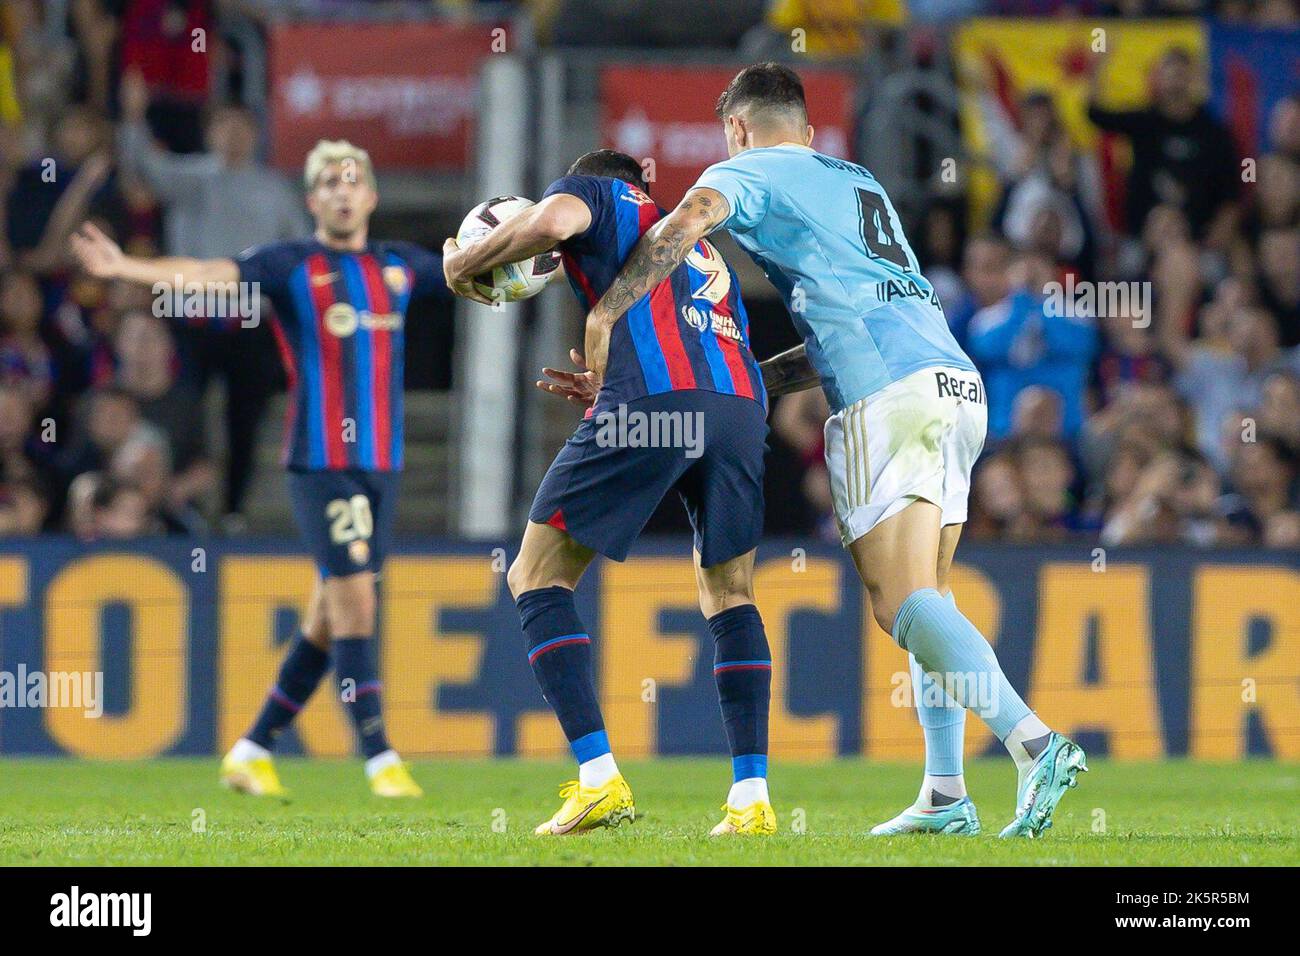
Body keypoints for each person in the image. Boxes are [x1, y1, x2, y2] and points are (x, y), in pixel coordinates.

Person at [582, 63, 1087, 838]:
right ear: (810, 133)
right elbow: (834, 334)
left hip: (890, 399)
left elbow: (681, 226)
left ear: (738, 130)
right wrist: (748, 379)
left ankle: (1036, 743)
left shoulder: (742, 169)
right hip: (953, 385)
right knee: (932, 595)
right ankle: (946, 793)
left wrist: (607, 316)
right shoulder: (856, 183)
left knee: (899, 602)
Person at [69, 139, 448, 798]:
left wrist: (561, 251)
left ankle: (252, 748)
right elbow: (206, 274)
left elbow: (478, 265)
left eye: (352, 179)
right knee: (358, 598)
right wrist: (127, 266)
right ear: (311, 200)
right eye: (327, 181)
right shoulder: (290, 265)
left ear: (371, 196)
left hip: (381, 464)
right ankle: (381, 756)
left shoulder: (400, 267)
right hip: (320, 459)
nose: (341, 190)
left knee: (329, 614)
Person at [442, 149, 776, 836]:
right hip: (741, 408)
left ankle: (600, 779)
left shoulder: (596, 192)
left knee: (536, 574)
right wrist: (619, 378)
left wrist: (461, 265)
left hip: (655, 400)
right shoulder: (702, 249)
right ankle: (752, 800)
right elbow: (701, 346)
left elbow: (549, 221)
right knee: (730, 592)